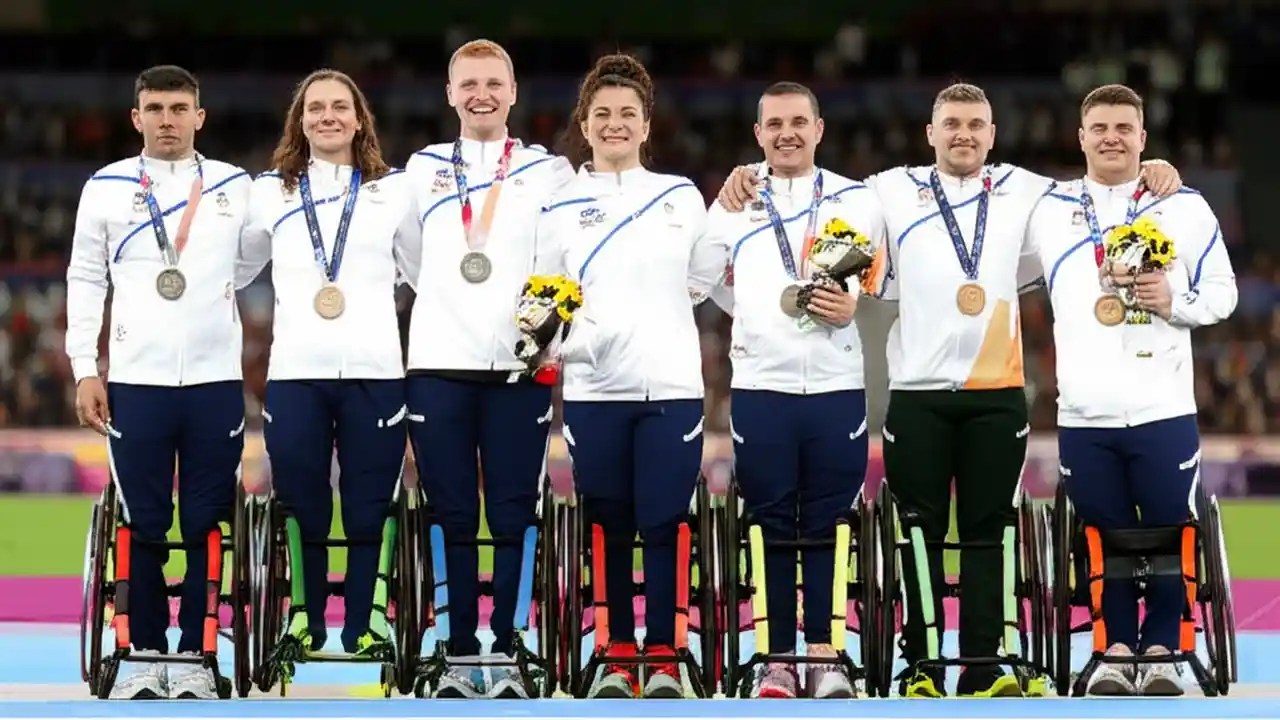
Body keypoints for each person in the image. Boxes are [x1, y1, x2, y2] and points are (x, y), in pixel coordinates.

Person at [714, 82, 1184, 698]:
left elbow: (1103, 190)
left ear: (992, 135)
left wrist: (1153, 169)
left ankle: (986, 667)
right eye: (952, 123)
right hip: (916, 391)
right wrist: (749, 175)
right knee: (920, 534)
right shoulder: (883, 191)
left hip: (996, 390)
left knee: (992, 529)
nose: (964, 134)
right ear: (930, 134)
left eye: (976, 124)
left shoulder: (1029, 191)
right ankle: (922, 666)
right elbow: (804, 180)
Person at [1022, 84, 1236, 696]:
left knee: (1172, 529)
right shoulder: (1049, 207)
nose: (1111, 137)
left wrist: (1179, 303)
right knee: (1099, 531)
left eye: (1124, 128)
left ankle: (1167, 648)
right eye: (1100, 128)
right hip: (1084, 411)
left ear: (1143, 138)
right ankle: (1114, 648)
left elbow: (1224, 292)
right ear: (1081, 136)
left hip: (1163, 406)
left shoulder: (1187, 207)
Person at [534, 53, 724, 699]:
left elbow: (701, 282)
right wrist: (586, 345)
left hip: (671, 386)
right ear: (584, 126)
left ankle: (668, 656)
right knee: (609, 520)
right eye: (602, 114)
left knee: (666, 520)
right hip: (595, 392)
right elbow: (543, 303)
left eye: (627, 115)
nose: (615, 124)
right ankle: (616, 654)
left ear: (646, 127)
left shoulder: (679, 196)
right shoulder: (557, 206)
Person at [65, 65, 252, 699]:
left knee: (204, 519)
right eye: (155, 108)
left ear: (200, 117)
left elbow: (249, 262)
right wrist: (85, 367)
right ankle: (142, 651)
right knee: (144, 519)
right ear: (136, 117)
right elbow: (86, 278)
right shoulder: (106, 186)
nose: (167, 119)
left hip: (215, 380)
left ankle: (198, 656)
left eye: (179, 108)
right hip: (136, 380)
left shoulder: (234, 186)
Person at [401, 39, 575, 699]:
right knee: (450, 512)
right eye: (469, 83)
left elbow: (560, 264)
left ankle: (507, 646)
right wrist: (457, 298)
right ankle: (455, 648)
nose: (482, 94)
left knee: (513, 512)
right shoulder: (419, 169)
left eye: (493, 83)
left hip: (517, 368)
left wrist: (535, 335)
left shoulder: (548, 171)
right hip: (438, 362)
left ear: (513, 91)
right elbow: (410, 256)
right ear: (449, 93)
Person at [701, 81, 886, 699]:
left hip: (836, 383)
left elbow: (879, 279)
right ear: (758, 134)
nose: (787, 133)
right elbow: (700, 280)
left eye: (798, 121)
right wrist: (754, 311)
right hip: (762, 383)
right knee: (772, 521)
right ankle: (778, 657)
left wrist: (849, 302)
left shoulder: (856, 200)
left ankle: (826, 654)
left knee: (832, 521)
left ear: (819, 128)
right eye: (774, 123)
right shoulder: (733, 200)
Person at [237, 69, 418, 661]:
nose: (328, 116)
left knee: (369, 504)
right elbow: (237, 270)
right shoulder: (270, 192)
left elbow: (419, 271)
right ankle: (303, 621)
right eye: (315, 107)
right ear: (300, 120)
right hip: (295, 373)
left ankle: (365, 623)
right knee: (302, 502)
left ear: (360, 118)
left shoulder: (394, 191)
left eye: (341, 106)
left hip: (376, 371)